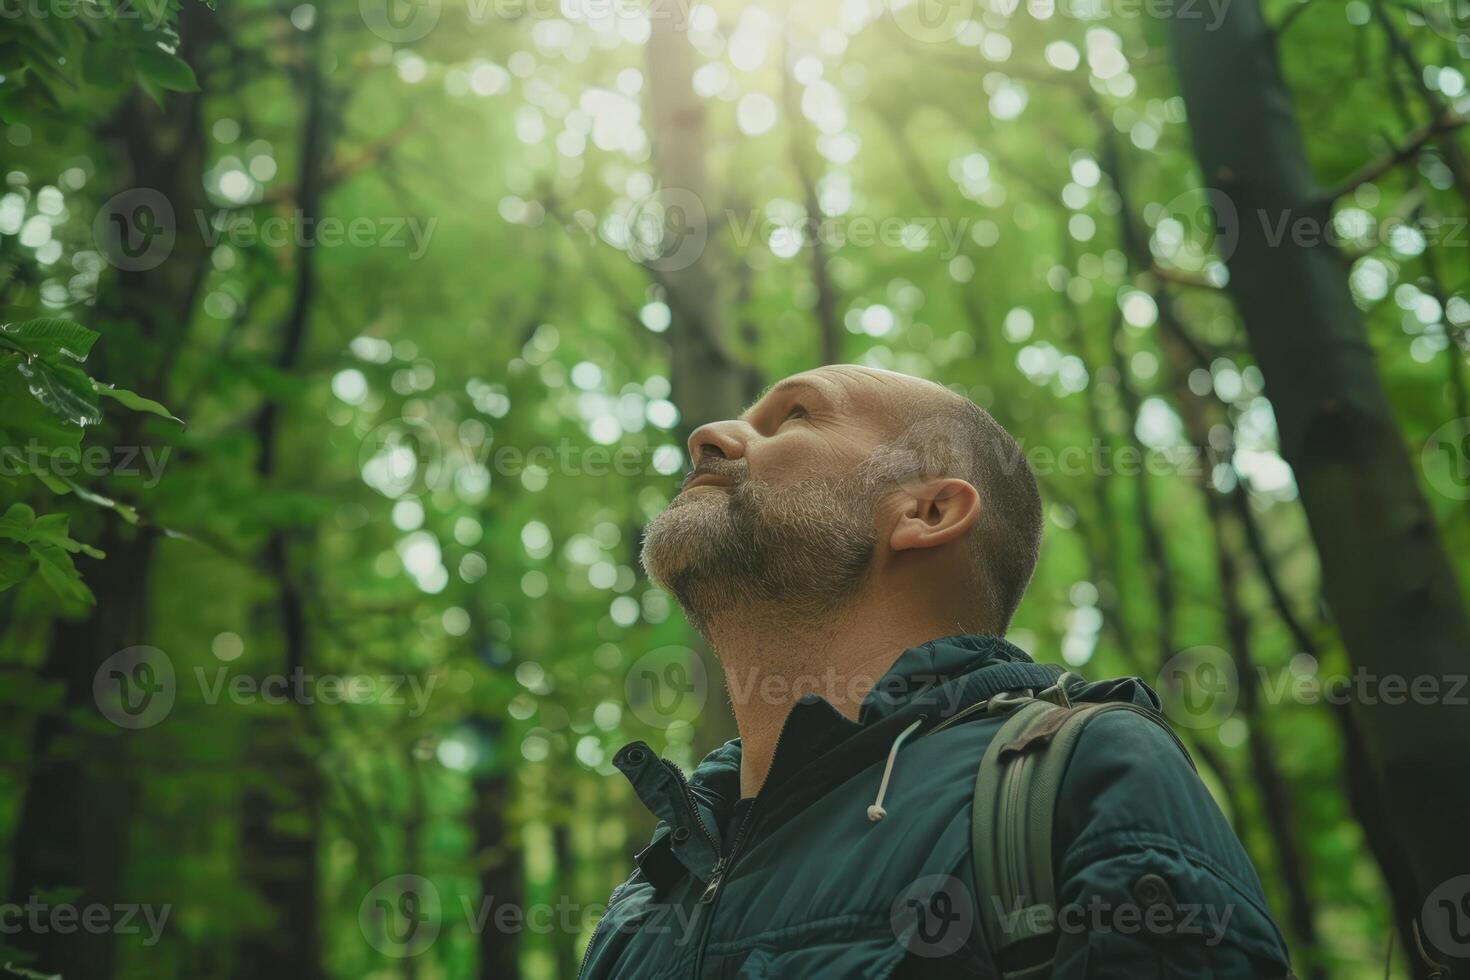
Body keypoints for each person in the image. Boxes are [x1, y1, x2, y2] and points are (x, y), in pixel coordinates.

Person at [579, 365, 1292, 978]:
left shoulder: (1085, 779)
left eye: (794, 415)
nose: (709, 434)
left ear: (928, 510)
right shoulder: (647, 896)